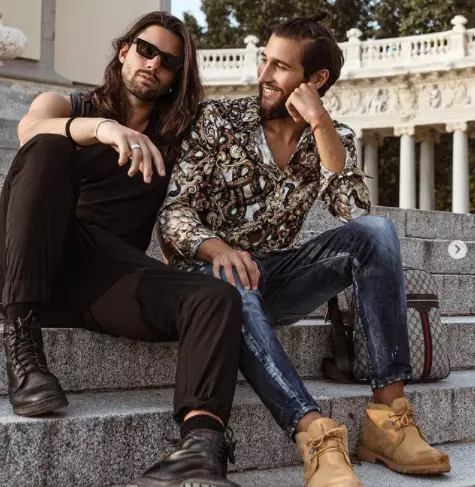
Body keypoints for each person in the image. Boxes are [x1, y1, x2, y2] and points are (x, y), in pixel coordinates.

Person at [158, 11, 451, 487]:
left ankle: (388, 421)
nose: (263, 75)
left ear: (315, 80)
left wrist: (319, 123)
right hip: (207, 279)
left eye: (279, 67)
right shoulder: (219, 120)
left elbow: (352, 207)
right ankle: (314, 435)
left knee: (376, 234)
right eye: (264, 61)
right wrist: (218, 250)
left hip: (275, 275)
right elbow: (174, 213)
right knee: (233, 283)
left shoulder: (330, 138)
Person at [1, 11, 243, 487]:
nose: (153, 63)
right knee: (49, 146)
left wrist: (215, 245)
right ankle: (23, 349)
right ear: (124, 49)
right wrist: (104, 129)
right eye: (146, 49)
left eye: (169, 60)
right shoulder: (67, 102)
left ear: (177, 77)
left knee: (217, 298)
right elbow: (30, 133)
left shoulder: (175, 139)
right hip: (32, 256)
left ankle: (200, 447)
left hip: (105, 278)